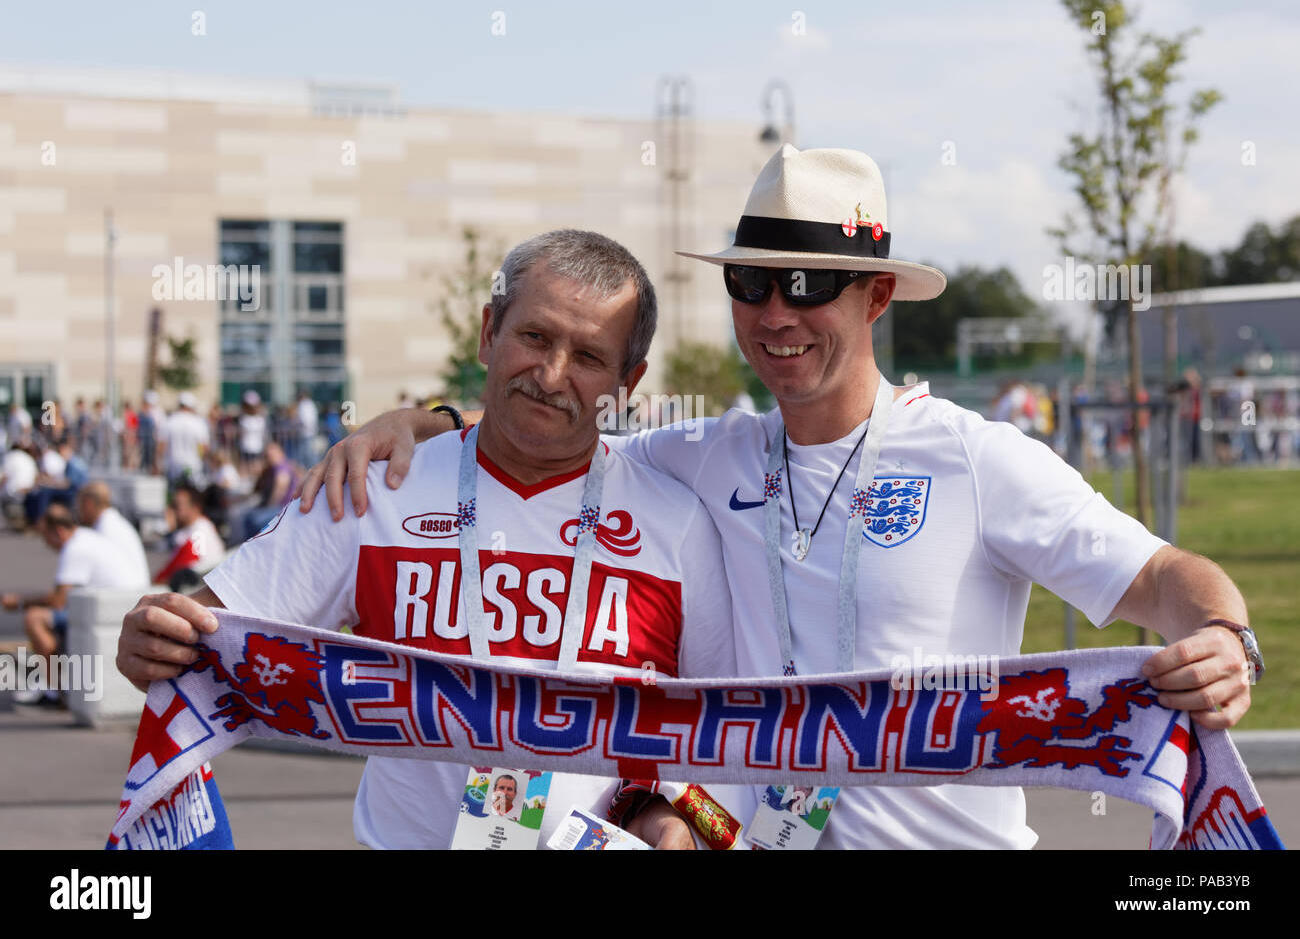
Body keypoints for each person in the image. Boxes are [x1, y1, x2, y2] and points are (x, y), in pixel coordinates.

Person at [299, 146, 1260, 849]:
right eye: (753, 282)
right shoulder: (696, 458)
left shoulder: (977, 461)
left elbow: (1169, 576)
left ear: (875, 297)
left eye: (809, 286)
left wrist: (1227, 638)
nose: (775, 315)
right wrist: (427, 420)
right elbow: (551, 414)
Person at [116, 229, 739, 850]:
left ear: (628, 380)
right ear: (488, 332)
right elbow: (205, 634)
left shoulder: (678, 525)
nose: (551, 376)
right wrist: (154, 637)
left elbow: (723, 737)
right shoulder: (371, 489)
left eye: (588, 357)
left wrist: (668, 819)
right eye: (535, 337)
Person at [1, 502, 148, 704]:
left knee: (34, 619)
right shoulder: (86, 537)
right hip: (119, 604)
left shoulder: (74, 548)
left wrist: (19, 602)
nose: (46, 544)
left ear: (59, 531)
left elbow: (57, 601)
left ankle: (56, 690)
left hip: (109, 610)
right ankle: (59, 682)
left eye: (46, 537)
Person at [153, 483, 226, 590]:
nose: (172, 511)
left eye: (177, 506)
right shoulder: (201, 527)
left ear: (195, 508)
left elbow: (166, 577)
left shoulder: (197, 535)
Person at [76, 481, 149, 587]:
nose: (79, 511)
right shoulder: (114, 523)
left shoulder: (105, 529)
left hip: (125, 593)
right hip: (135, 589)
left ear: (88, 504)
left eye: (80, 505)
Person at [161, 392, 209, 485]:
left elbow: (162, 445)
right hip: (193, 465)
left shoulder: (169, 421)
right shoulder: (199, 423)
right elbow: (204, 447)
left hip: (173, 465)